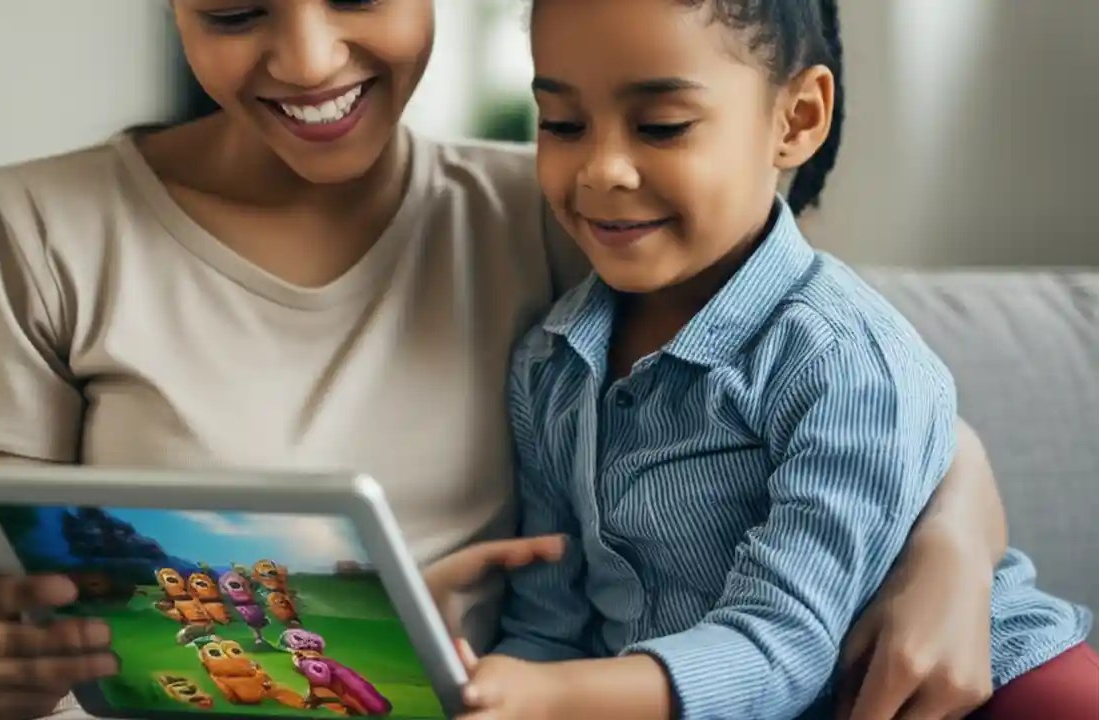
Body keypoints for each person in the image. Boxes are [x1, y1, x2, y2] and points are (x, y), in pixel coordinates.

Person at [0, 2, 1016, 719]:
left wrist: (952, 558)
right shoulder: (33, 225)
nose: (305, 57)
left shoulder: (552, 201)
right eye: (235, 8)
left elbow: (851, 380)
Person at [454, 1, 1098, 719]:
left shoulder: (843, 360)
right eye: (564, 125)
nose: (602, 170)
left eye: (662, 126)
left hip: (1001, 695)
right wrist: (492, 684)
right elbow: (549, 625)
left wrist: (554, 699)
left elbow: (785, 645)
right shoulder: (551, 364)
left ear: (796, 120)